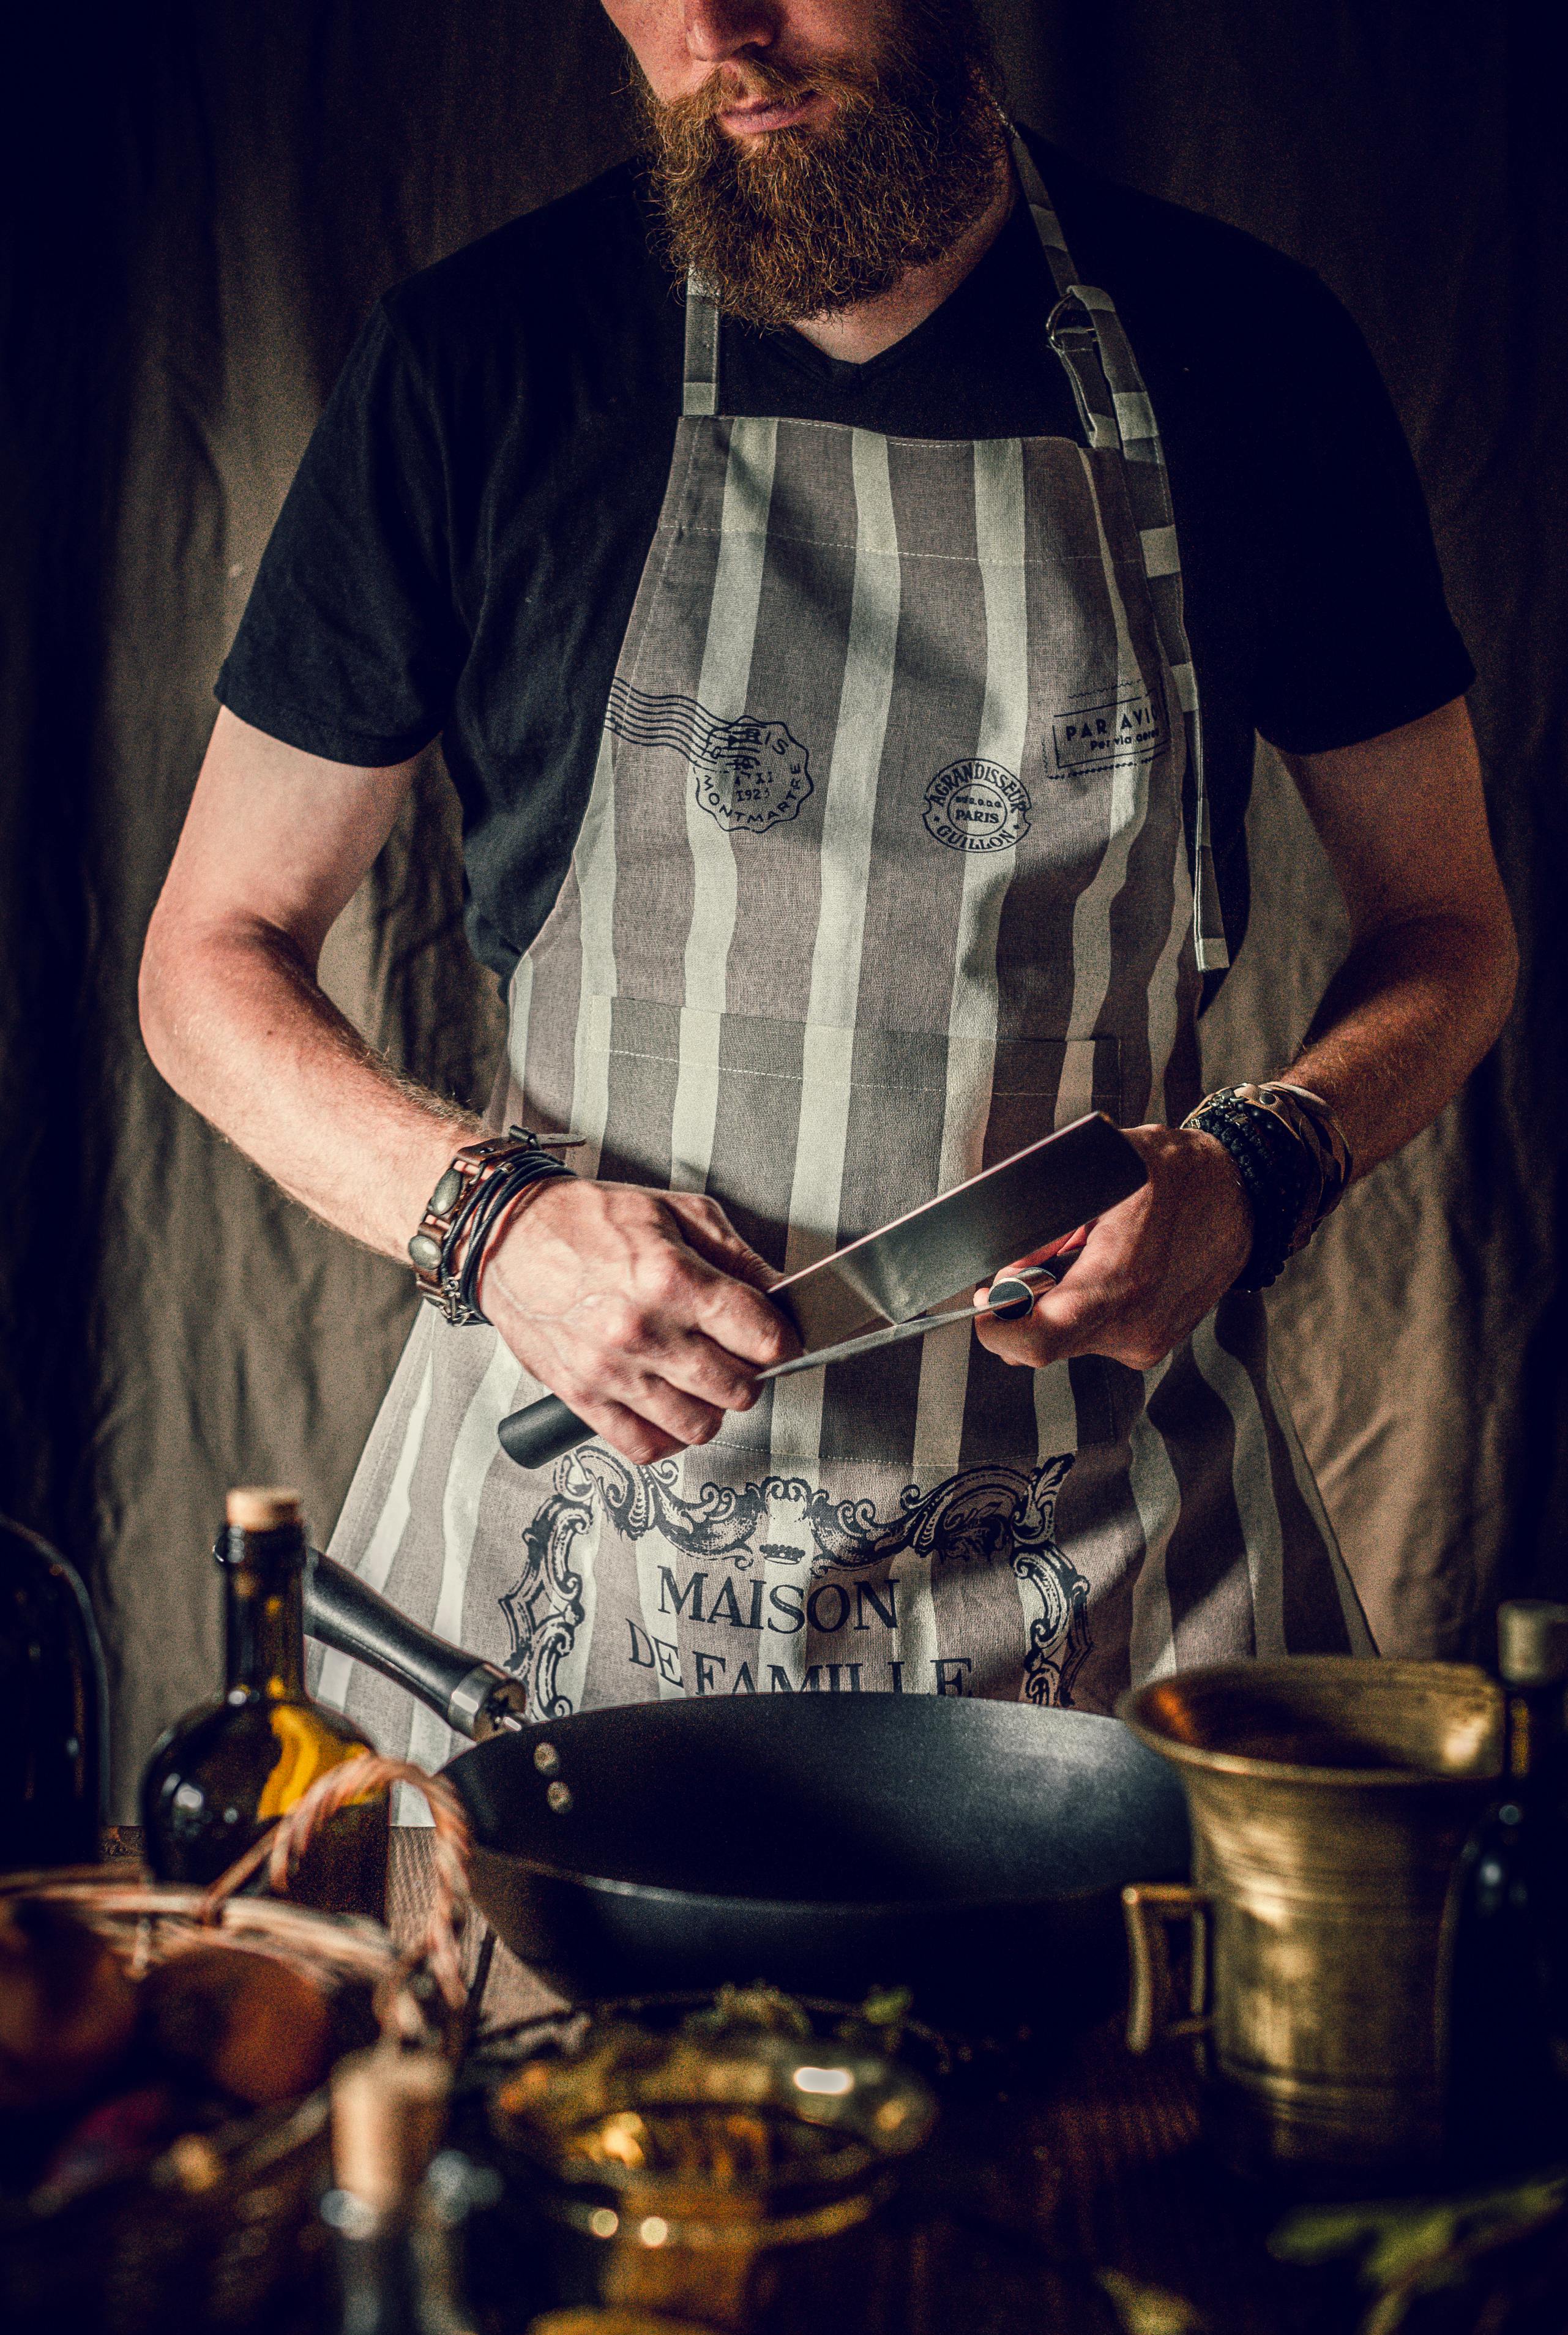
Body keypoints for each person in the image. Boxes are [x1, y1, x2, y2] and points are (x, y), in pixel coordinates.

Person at [140, 1, 1517, 1774]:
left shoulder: (1249, 352)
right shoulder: (479, 360)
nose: (719, 29)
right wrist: (490, 1229)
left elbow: (1447, 924)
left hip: (1109, 1587)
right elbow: (208, 959)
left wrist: (1261, 1165)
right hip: (575, 1582)